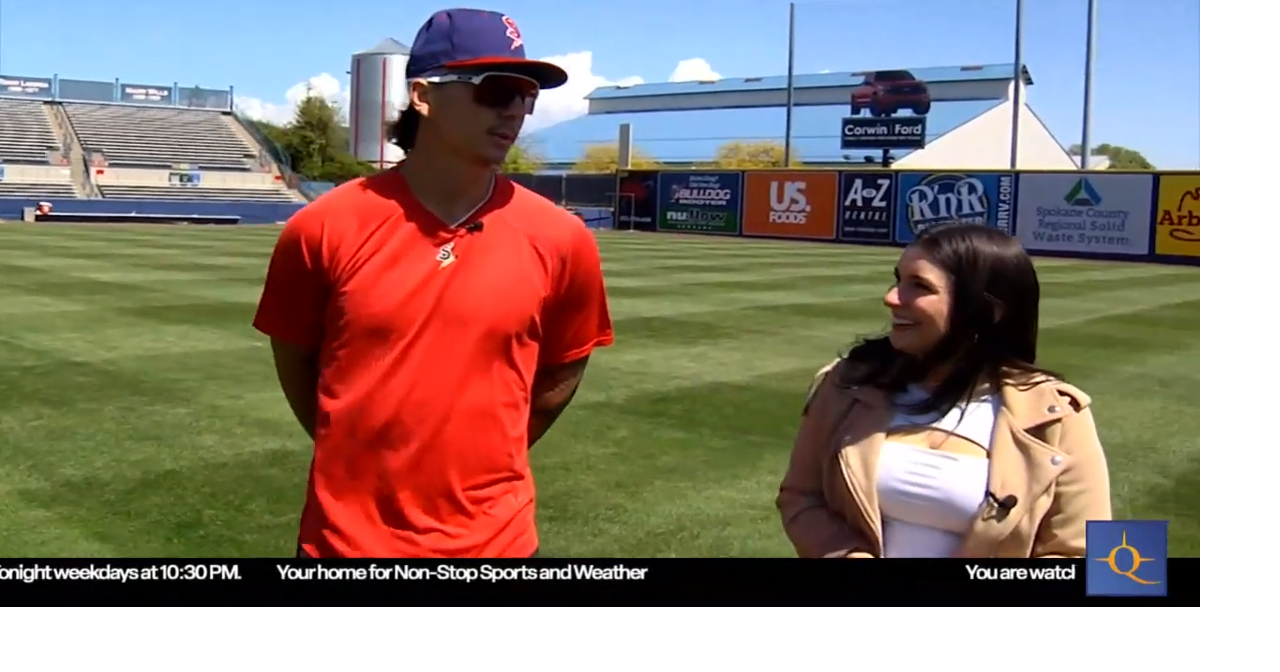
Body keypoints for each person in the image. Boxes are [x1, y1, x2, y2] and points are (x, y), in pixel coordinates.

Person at [252, 8, 614, 558]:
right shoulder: (321, 227)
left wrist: (487, 460)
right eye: (498, 90)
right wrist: (358, 463)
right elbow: (298, 363)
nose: (515, 109)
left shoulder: (563, 238)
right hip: (343, 546)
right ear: (423, 95)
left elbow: (565, 366)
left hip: (499, 546)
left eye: (526, 95)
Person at [776, 223, 1111, 559]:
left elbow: (1093, 557)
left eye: (919, 286)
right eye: (898, 279)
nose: (891, 297)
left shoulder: (1059, 413)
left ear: (986, 311)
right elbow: (800, 497)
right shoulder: (846, 383)